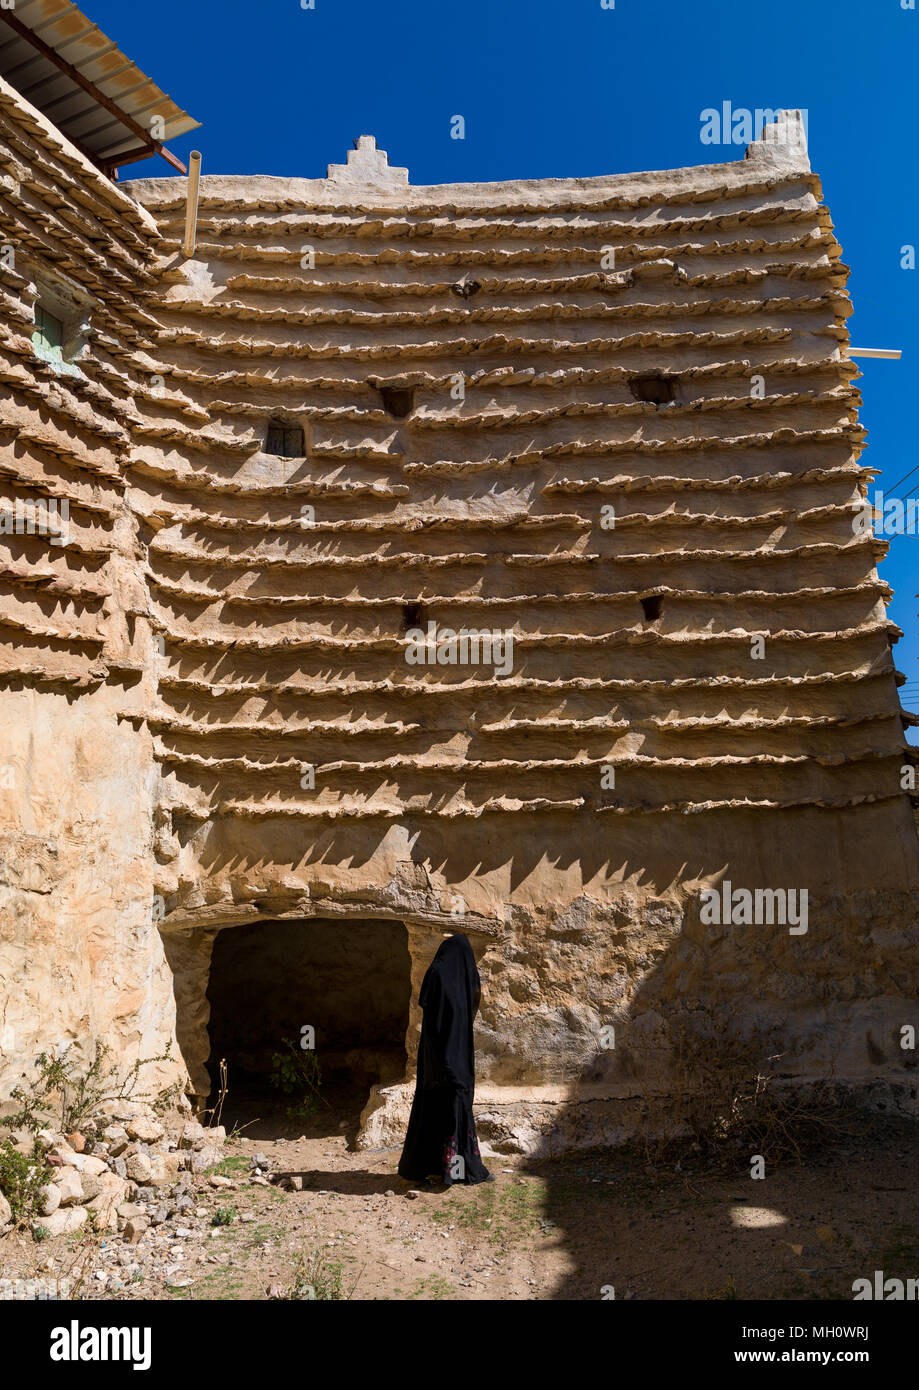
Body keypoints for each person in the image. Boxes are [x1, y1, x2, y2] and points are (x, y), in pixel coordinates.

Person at [397, 933, 492, 1187]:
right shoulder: (449, 979)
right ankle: (456, 1171)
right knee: (453, 1105)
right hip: (451, 1060)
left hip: (437, 1061)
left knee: (437, 1108)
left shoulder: (440, 974)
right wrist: (453, 1066)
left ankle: (436, 1169)